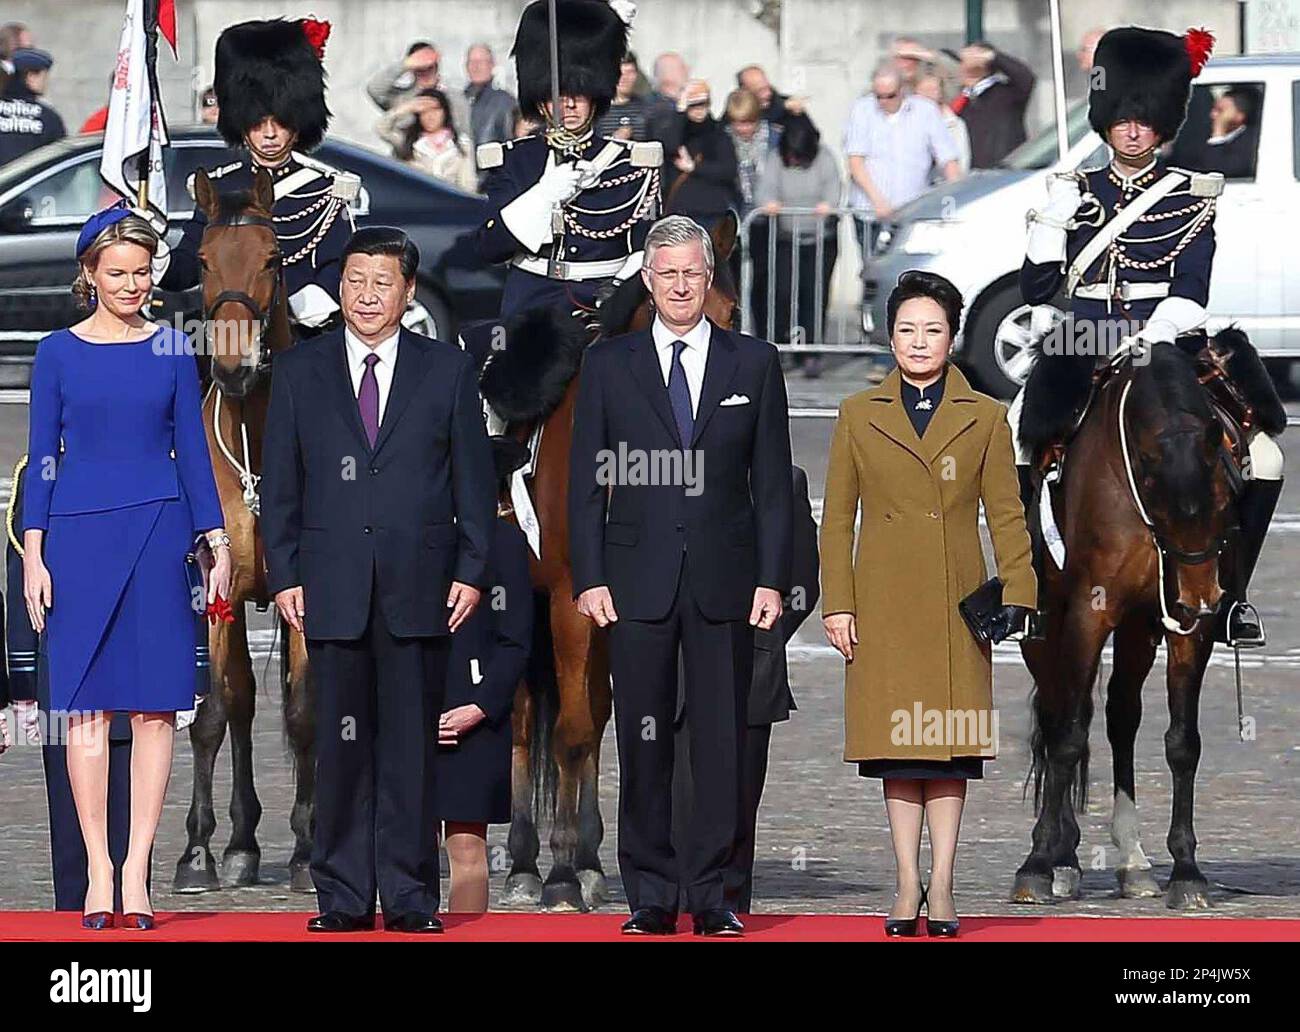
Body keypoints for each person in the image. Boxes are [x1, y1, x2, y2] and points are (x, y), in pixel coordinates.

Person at [1015, 26, 1284, 648]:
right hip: (1084, 332)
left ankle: (1234, 595)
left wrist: (1151, 337)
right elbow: (1036, 288)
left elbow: (1192, 288)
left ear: (1162, 124)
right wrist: (1049, 221)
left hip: (1163, 335)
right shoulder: (1074, 191)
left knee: (1265, 453)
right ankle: (1026, 584)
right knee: (1016, 433)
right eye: (1122, 120)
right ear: (1105, 122)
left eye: (1145, 120)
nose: (1132, 131)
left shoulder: (1191, 197)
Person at [260, 226, 495, 933]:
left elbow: (473, 483)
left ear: (408, 293)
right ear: (341, 287)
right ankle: (342, 897)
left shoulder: (445, 370)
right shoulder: (301, 371)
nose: (367, 295)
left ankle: (412, 897)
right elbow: (283, 487)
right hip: (330, 587)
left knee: (409, 755)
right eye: (356, 280)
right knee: (340, 749)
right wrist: (284, 573)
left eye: (382, 283)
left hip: (420, 586)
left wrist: (474, 570)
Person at [569, 214, 794, 937]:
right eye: (666, 274)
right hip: (635, 583)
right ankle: (651, 895)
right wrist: (590, 576)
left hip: (725, 582)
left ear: (708, 277)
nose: (679, 286)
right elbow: (584, 484)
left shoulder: (753, 363)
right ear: (648, 280)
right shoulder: (609, 364)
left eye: (691, 273)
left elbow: (773, 486)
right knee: (643, 740)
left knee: (720, 743)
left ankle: (714, 893)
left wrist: (770, 580)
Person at [23, 205, 231, 929]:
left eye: (142, 272)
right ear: (89, 274)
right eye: (117, 273)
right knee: (83, 708)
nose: (132, 284)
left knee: (153, 707)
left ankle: (138, 870)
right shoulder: (56, 353)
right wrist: (33, 553)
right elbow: (41, 459)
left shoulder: (173, 348)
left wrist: (218, 539)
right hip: (77, 540)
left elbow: (195, 454)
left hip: (157, 531)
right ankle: (98, 872)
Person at [821, 270, 1036, 938]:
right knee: (898, 752)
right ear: (889, 336)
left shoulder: (987, 416)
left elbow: (1007, 514)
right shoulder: (858, 414)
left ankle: (942, 883)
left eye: (933, 330)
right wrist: (838, 603)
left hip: (953, 606)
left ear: (953, 336)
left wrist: (1021, 592)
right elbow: (837, 519)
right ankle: (905, 881)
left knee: (945, 752)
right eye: (907, 329)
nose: (919, 342)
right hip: (883, 601)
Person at [670, 464, 818, 913]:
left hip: (751, 669)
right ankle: (669, 903)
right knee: (673, 804)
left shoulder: (785, 483)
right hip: (671, 671)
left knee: (736, 809)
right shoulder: (665, 479)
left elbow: (801, 583)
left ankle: (728, 907)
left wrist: (761, 639)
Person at [160, 18, 359, 338]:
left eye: (280, 122)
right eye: (257, 122)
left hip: (302, 335)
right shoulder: (219, 187)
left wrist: (301, 307)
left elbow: (338, 268)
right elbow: (185, 270)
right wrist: (153, 251)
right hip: (226, 336)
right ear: (240, 122)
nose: (269, 134)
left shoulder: (324, 189)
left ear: (298, 124)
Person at [474, 0, 660, 320]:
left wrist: (618, 286)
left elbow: (647, 245)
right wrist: (543, 196)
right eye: (557, 95)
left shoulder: (627, 162)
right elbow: (491, 246)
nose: (569, 104)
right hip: (533, 299)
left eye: (580, 93)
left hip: (603, 302)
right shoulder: (515, 160)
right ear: (540, 101)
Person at [434, 436, 533, 913]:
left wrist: (480, 707)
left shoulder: (507, 543)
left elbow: (516, 640)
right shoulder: (414, 536)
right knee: (400, 847)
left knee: (467, 848)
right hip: (416, 712)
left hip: (474, 718)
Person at [753, 113, 841, 378]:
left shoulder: (824, 158)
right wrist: (769, 203)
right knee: (779, 293)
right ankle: (778, 346)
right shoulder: (775, 159)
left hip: (818, 241)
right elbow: (764, 189)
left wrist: (827, 206)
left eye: (798, 157)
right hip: (785, 238)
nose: (794, 161)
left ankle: (811, 351)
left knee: (813, 296)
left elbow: (834, 191)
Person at [843, 64, 959, 254]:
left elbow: (948, 158)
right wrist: (878, 201)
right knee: (874, 273)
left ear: (902, 90)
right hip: (871, 214)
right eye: (878, 96)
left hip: (913, 213)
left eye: (890, 96)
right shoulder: (861, 110)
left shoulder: (926, 111)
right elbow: (855, 162)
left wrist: (956, 197)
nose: (883, 101)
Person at [660, 79, 741, 232]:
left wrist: (694, 168)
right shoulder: (677, 130)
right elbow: (669, 146)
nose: (698, 110)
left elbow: (728, 170)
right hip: (681, 211)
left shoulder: (718, 133)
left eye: (702, 104)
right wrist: (680, 110)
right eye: (693, 105)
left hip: (711, 212)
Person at [952, 42, 1036, 169]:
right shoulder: (960, 99)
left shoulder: (1006, 93)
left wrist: (991, 57)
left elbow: (1026, 77)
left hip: (1006, 172)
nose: (968, 60)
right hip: (971, 175)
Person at [376, 87, 478, 192]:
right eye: (424, 111)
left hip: (449, 203)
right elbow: (382, 129)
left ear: (445, 111)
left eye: (435, 109)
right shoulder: (408, 141)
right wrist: (407, 107)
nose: (430, 116)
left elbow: (468, 186)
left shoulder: (461, 144)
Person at [367, 40, 471, 132]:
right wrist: (405, 64)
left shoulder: (455, 98)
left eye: (429, 66)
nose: (425, 71)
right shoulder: (401, 99)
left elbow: (466, 137)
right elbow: (374, 89)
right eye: (420, 68)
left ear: (437, 65)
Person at [0, 47, 65, 166]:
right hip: (33, 183)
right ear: (31, 76)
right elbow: (62, 164)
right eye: (44, 77)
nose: (46, 83)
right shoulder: (48, 117)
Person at [462, 44, 518, 156]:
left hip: (491, 170)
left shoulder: (505, 102)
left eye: (481, 62)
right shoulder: (460, 100)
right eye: (472, 62)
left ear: (491, 65)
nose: (476, 67)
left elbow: (511, 142)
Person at [916, 74, 970, 178]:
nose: (928, 95)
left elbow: (962, 161)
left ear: (941, 93)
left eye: (933, 90)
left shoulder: (955, 124)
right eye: (923, 91)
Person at [1200, 85, 1260, 180]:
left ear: (1239, 116)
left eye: (1220, 110)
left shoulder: (1251, 142)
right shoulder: (1204, 134)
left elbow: (1216, 172)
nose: (1212, 115)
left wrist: (1218, 133)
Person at [594, 51, 650, 142]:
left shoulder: (647, 108)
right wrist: (614, 140)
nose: (625, 78)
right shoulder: (598, 111)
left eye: (629, 72)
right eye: (620, 72)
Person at [735, 64, 805, 130]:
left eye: (767, 88)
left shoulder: (790, 109)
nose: (767, 94)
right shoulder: (735, 111)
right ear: (745, 92)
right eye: (760, 91)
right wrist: (781, 107)